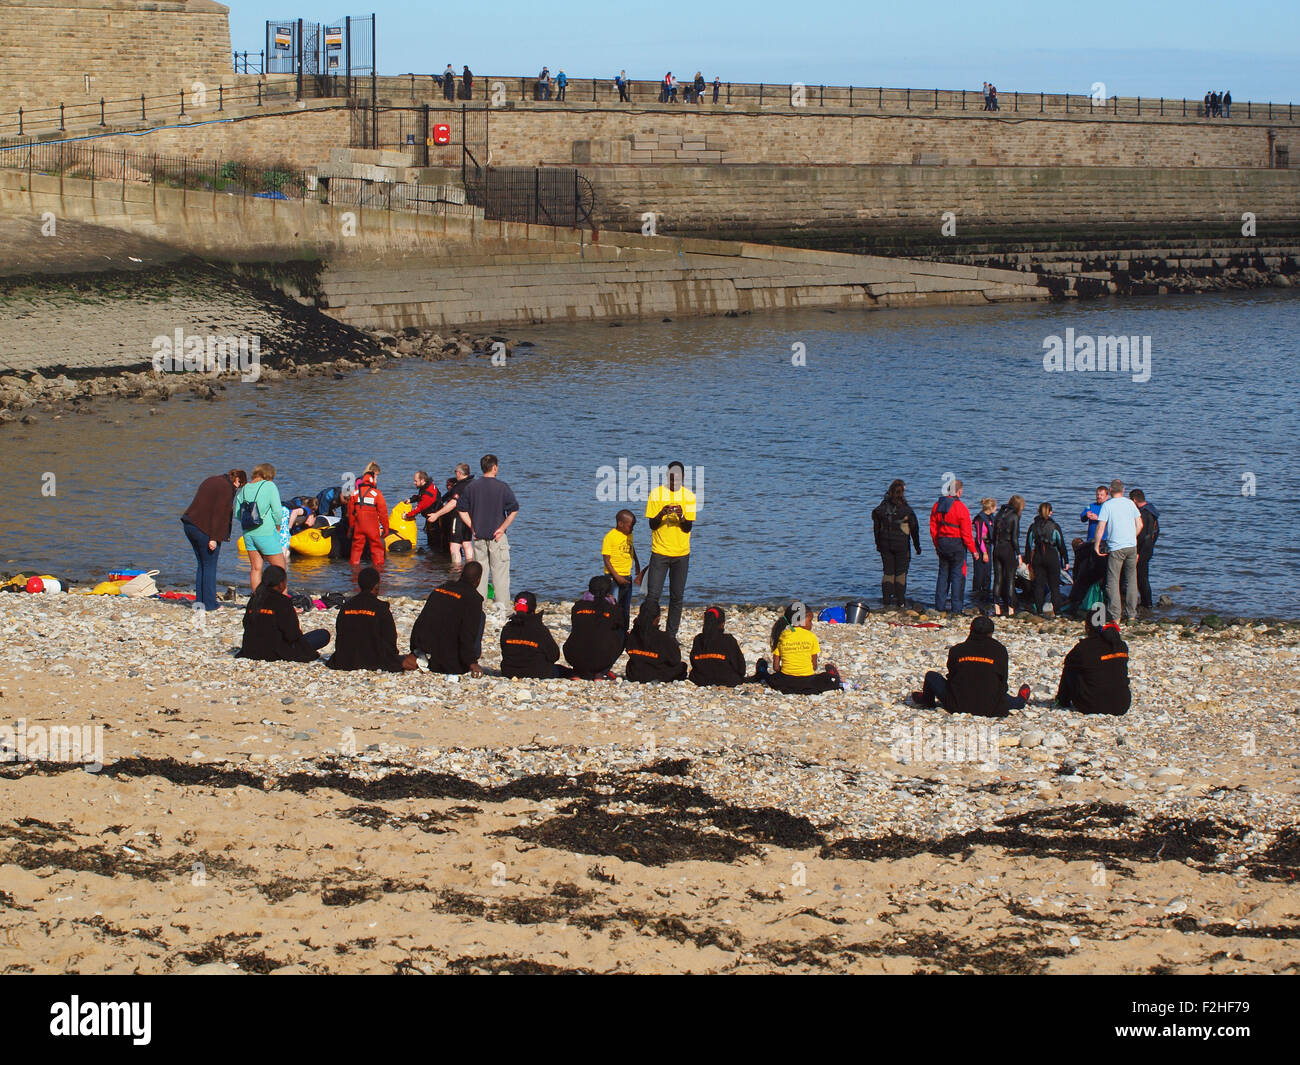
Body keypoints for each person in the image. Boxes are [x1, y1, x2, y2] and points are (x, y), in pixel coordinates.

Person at [911, 615, 1030, 718]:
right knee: (1011, 700)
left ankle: (927, 700)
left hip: (957, 705)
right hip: (992, 707)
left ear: (971, 629)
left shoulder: (957, 650)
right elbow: (1003, 680)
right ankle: (1020, 700)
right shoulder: (1000, 650)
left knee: (931, 676)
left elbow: (952, 676)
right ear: (991, 633)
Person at [457, 454, 519, 619]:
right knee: (500, 574)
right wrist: (502, 528)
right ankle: (503, 610)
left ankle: (478, 608)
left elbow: (461, 509)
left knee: (480, 574)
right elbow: (514, 509)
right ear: (495, 468)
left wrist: (472, 526)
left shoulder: (472, 487)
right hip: (497, 537)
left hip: (478, 536)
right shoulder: (502, 487)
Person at [644, 462, 698, 638]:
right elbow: (652, 525)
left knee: (677, 597)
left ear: (682, 477)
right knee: (653, 596)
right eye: (671, 476)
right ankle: (648, 631)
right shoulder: (656, 494)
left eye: (678, 476)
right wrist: (662, 513)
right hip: (660, 552)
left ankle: (670, 635)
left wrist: (681, 515)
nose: (674, 479)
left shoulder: (689, 496)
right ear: (667, 476)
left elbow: (687, 528)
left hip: (681, 554)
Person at [329, 567, 418, 672]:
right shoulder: (381, 608)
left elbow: (340, 636)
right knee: (413, 661)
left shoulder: (346, 607)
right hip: (375, 660)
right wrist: (393, 658)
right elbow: (390, 641)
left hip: (346, 660)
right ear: (376, 586)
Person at [236, 564, 329, 662]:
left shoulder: (254, 599)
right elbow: (292, 634)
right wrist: (305, 649)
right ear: (280, 584)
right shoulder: (283, 601)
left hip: (251, 649)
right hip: (274, 652)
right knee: (323, 635)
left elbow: (246, 623)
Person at [182, 469, 245, 611]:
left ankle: (200, 603)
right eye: (240, 485)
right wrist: (214, 538)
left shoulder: (212, 480)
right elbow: (219, 513)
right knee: (210, 566)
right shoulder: (226, 488)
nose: (238, 489)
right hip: (204, 529)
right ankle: (210, 604)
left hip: (190, 524)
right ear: (237, 480)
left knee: (202, 565)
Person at [410, 561, 485, 676]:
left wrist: (415, 649)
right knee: (481, 616)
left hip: (428, 653)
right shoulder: (473, 598)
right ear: (478, 580)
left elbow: (422, 621)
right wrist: (471, 662)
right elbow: (467, 633)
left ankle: (421, 654)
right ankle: (471, 656)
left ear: (461, 574)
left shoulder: (441, 589)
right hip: (452, 663)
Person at [1056, 608, 1131, 715]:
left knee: (1072, 668)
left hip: (1092, 705)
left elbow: (1068, 674)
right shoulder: (1121, 646)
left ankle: (1062, 701)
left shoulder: (1083, 648)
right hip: (1122, 705)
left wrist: (1062, 700)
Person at [1093, 479, 1143, 623]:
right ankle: (1132, 614)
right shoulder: (1130, 503)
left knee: (1113, 581)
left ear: (1110, 490)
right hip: (1131, 546)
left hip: (1116, 547)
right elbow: (1140, 524)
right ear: (1123, 489)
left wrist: (1097, 545)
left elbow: (1100, 527)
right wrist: (1132, 536)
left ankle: (1115, 616)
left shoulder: (1107, 505)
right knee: (1131, 580)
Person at [765, 602, 843, 694]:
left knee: (772, 678)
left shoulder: (781, 635)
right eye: (810, 621)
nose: (811, 624)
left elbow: (776, 667)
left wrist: (789, 671)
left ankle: (762, 669)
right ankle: (832, 672)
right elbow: (814, 666)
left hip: (786, 682)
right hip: (807, 682)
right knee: (830, 680)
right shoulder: (811, 636)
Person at [234, 463, 286, 593]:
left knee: (256, 568)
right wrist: (278, 525)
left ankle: (257, 600)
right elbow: (277, 511)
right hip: (266, 533)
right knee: (280, 569)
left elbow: (237, 513)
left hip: (248, 534)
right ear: (269, 475)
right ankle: (284, 602)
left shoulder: (245, 488)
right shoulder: (269, 486)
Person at [872, 479, 921, 609]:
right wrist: (917, 546)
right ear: (902, 493)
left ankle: (886, 601)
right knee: (901, 573)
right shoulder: (907, 510)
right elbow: (915, 529)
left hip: (885, 544)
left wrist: (878, 544)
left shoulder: (880, 510)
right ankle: (900, 601)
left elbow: (876, 529)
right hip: (902, 545)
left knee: (888, 572)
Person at [563, 576, 625, 679]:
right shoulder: (611, 608)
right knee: (622, 634)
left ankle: (577, 673)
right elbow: (621, 624)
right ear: (608, 592)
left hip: (572, 655)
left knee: (585, 631)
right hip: (601, 658)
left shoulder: (578, 606)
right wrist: (615, 604)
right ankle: (600, 673)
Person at [931, 478, 977, 614]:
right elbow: (966, 534)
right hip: (957, 544)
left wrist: (936, 544)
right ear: (959, 492)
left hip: (942, 542)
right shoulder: (961, 508)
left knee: (943, 574)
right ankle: (956, 608)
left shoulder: (937, 505)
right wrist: (974, 550)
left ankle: (939, 606)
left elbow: (933, 528)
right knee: (957, 575)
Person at [1066, 485, 1110, 613]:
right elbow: (1082, 517)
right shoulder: (1091, 505)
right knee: (1084, 566)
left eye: (1101, 495)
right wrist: (1087, 515)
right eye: (1097, 494)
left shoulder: (1107, 507)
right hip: (1090, 542)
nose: (1099, 497)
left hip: (1103, 542)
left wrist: (1098, 518)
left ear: (1106, 496)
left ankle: (1101, 597)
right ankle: (1078, 595)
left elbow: (1111, 521)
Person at [499, 591, 563, 679]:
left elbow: (504, 650)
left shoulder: (507, 628)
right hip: (536, 672)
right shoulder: (540, 629)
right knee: (562, 670)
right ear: (534, 608)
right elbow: (554, 655)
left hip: (508, 671)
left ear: (515, 607)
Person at [423, 463, 474, 569]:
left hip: (459, 517)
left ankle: (456, 570)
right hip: (470, 517)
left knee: (454, 546)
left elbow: (453, 503)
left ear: (459, 473)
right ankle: (470, 568)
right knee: (467, 543)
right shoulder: (473, 484)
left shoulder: (459, 486)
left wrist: (437, 514)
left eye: (455, 472)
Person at [625, 601, 688, 683]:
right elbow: (675, 659)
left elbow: (628, 649)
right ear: (657, 618)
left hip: (634, 674)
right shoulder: (663, 638)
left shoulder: (633, 634)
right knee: (682, 667)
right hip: (656, 674)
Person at [602, 509, 643, 630]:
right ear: (620, 524)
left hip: (627, 576)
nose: (632, 529)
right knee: (613, 605)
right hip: (613, 578)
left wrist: (637, 563)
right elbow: (606, 560)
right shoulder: (610, 537)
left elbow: (631, 548)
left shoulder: (629, 535)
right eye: (631, 526)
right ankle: (610, 630)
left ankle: (624, 631)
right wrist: (617, 577)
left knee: (625, 607)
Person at [1025, 502, 1069, 614]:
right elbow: (1061, 544)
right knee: (1054, 585)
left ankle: (1039, 611)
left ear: (1038, 512)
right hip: (1052, 556)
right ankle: (1057, 612)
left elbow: (1028, 546)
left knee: (1039, 585)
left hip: (1038, 556)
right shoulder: (1054, 527)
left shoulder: (1033, 527)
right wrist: (1066, 560)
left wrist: (1027, 562)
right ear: (1051, 513)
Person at [688, 606, 747, 687]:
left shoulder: (698, 639)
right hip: (726, 680)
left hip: (700, 680)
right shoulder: (728, 640)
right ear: (723, 624)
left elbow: (693, 661)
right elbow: (740, 668)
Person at [348, 461, 388, 568]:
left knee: (356, 549)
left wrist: (351, 527)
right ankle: (379, 571)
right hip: (372, 527)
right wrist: (386, 528)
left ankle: (354, 573)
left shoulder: (355, 493)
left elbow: (351, 512)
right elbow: (383, 513)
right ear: (372, 479)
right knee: (377, 548)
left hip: (359, 526)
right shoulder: (377, 494)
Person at [991, 495, 1025, 616]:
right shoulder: (1014, 516)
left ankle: (997, 607)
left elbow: (993, 536)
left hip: (997, 549)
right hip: (1008, 549)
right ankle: (1011, 609)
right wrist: (1019, 554)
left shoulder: (999, 514)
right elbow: (1014, 539)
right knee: (1010, 579)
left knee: (997, 579)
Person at [1130, 488, 1160, 610]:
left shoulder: (1144, 513)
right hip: (1149, 547)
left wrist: (1137, 552)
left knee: (1141, 577)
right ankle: (1146, 601)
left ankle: (1146, 602)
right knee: (1142, 576)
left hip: (1143, 549)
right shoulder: (1152, 511)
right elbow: (1156, 532)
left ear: (1135, 500)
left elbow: (1142, 535)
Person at [405, 470, 443, 554]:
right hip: (432, 517)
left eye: (416, 481)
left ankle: (434, 560)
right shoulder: (427, 486)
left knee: (434, 544)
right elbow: (420, 497)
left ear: (422, 480)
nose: (414, 483)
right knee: (432, 542)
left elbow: (418, 509)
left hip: (434, 520)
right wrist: (411, 500)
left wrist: (406, 515)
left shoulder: (428, 493)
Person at [971, 497, 997, 604]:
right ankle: (976, 596)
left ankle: (986, 594)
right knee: (979, 573)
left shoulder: (991, 518)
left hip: (989, 545)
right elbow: (979, 538)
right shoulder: (980, 519)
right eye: (995, 506)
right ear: (991, 507)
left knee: (987, 573)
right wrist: (984, 552)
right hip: (981, 547)